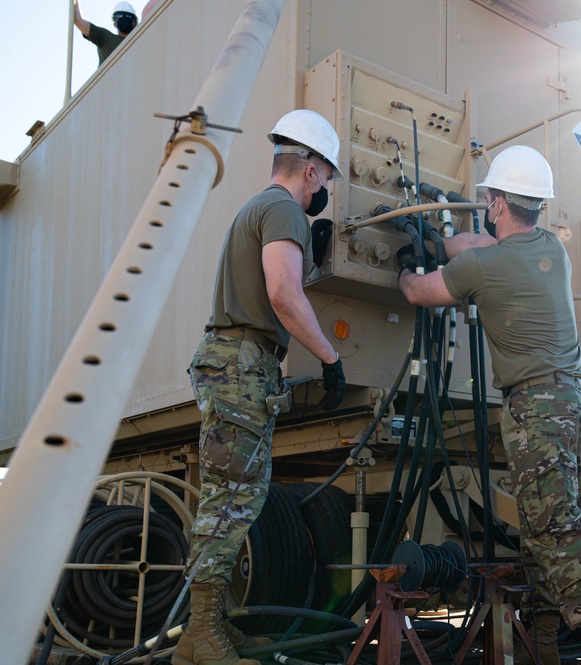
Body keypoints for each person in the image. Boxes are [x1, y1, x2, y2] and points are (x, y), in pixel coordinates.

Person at [398, 145, 581, 665]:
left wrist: (407, 264)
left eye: (490, 199)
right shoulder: (550, 249)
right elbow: (479, 243)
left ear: (498, 203)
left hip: (538, 410)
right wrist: (438, 241)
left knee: (552, 530)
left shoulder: (483, 268)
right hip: (577, 404)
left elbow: (418, 292)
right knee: (551, 527)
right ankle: (541, 645)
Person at [173, 109, 347, 665]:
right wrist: (330, 359)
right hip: (242, 366)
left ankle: (212, 628)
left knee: (235, 497)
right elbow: (282, 293)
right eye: (327, 176)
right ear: (312, 170)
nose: (324, 189)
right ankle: (200, 636)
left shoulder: (261, 208)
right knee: (232, 499)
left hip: (235, 363)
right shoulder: (283, 210)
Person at [73, 1, 139, 64]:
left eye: (128, 16)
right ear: (114, 24)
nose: (124, 18)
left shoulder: (139, 43)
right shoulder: (106, 38)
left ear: (135, 23)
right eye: (119, 16)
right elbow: (78, 20)